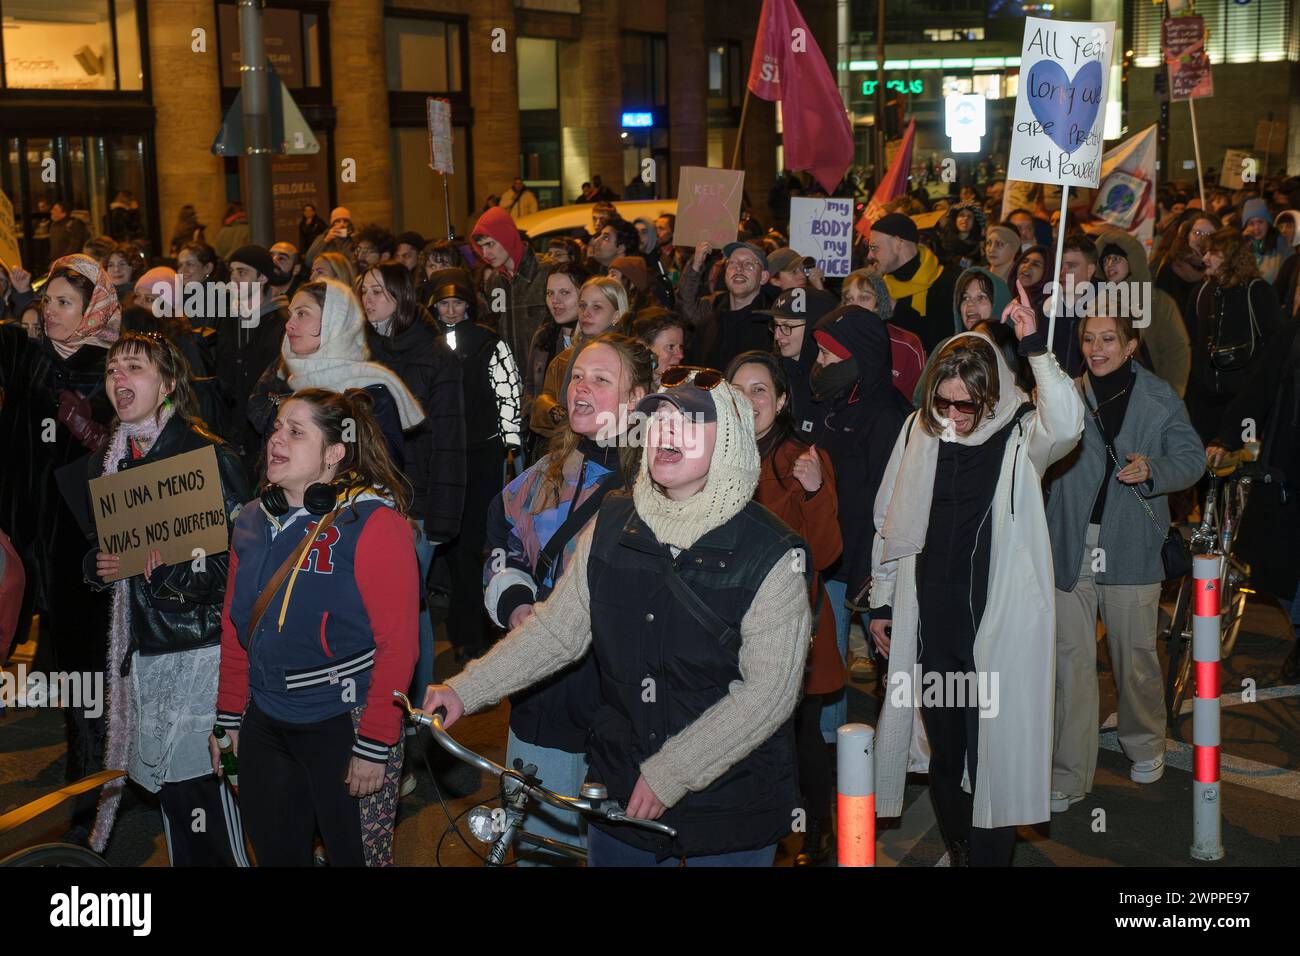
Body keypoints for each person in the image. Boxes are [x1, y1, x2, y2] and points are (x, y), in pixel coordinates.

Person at [426, 373, 814, 867]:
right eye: (659, 419)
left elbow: (769, 693)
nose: (666, 431)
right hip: (622, 792)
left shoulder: (772, 552)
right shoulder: (613, 522)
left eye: (690, 419)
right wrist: (466, 688)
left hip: (730, 808)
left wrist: (672, 771)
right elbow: (556, 630)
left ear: (732, 439)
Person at [867, 300, 1085, 867]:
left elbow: (1068, 422)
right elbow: (888, 518)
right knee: (946, 752)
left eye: (966, 404)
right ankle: (961, 847)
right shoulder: (920, 430)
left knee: (993, 756)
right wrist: (883, 602)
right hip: (933, 628)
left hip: (996, 631)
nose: (954, 415)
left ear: (991, 395)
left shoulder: (1021, 435)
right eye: (942, 401)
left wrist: (1035, 346)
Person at [214, 388, 419, 866]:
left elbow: (399, 645)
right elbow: (235, 630)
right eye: (277, 428)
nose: (276, 439)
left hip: (344, 725)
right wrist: (228, 720)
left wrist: (375, 744)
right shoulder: (250, 519)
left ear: (333, 454)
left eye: (295, 431)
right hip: (265, 723)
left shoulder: (372, 523)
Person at [481, 333, 653, 863]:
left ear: (637, 400)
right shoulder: (545, 473)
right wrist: (517, 605)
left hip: (620, 702)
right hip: (544, 696)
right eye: (578, 375)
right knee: (541, 845)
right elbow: (501, 542)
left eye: (602, 380)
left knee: (612, 847)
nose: (581, 387)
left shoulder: (660, 480)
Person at [84, 332, 251, 864]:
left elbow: (242, 564)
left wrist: (171, 576)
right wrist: (99, 566)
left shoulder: (205, 454)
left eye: (134, 368)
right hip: (146, 651)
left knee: (205, 788)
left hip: (198, 652)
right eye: (112, 370)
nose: (119, 380)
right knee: (176, 799)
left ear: (169, 384)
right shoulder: (112, 460)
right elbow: (101, 549)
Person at [1046, 312, 1204, 812]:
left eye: (1109, 339)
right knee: (1069, 665)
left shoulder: (1158, 398)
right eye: (1089, 339)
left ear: (1132, 345)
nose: (1097, 348)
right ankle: (1068, 772)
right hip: (1069, 543)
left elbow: (1192, 458)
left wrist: (1154, 468)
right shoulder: (1064, 395)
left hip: (1131, 544)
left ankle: (1145, 742)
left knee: (1132, 656)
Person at [0, 254, 120, 845]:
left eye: (64, 303)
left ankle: (89, 802)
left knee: (87, 669)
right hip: (25, 532)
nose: (50, 312)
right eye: (46, 300)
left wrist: (91, 427)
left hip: (85, 543)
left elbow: (139, 446)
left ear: (92, 309)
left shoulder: (112, 366)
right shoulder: (28, 356)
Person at [726, 351, 842, 866]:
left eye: (760, 390)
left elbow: (827, 553)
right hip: (724, 629)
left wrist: (815, 493)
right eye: (739, 389)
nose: (749, 400)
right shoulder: (711, 456)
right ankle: (753, 833)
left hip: (792, 628)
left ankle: (818, 831)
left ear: (781, 399)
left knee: (798, 738)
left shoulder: (802, 459)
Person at [810, 305, 913, 738]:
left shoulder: (889, 415)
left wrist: (876, 574)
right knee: (830, 662)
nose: (819, 364)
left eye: (828, 356)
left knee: (888, 663)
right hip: (833, 556)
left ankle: (898, 746)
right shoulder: (835, 400)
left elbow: (890, 503)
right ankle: (834, 747)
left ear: (857, 357)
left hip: (872, 563)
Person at [426, 267, 522, 661]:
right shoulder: (427, 344)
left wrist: (511, 443)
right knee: (447, 542)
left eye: (457, 302)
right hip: (441, 455)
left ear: (469, 304)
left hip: (483, 452)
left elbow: (508, 392)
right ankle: (459, 626)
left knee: (477, 541)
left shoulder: (489, 342)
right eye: (443, 303)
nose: (450, 310)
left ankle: (477, 630)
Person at [246, 278, 424, 465]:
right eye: (291, 315)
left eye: (302, 314)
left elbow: (383, 465)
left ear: (335, 322)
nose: (289, 324)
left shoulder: (368, 392)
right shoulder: (284, 377)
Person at [359, 263, 467, 548]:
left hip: (414, 500)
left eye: (377, 292)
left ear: (400, 296)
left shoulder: (436, 354)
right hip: (364, 494)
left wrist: (441, 521)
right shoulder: (359, 350)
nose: (367, 299)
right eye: (364, 291)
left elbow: (449, 440)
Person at [1185, 228, 1285, 443]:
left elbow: (1275, 348)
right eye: (1205, 252)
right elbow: (1194, 345)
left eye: (1213, 253)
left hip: (1245, 401)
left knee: (1240, 464)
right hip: (1206, 401)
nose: (1205, 258)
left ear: (1231, 257)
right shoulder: (1201, 292)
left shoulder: (1258, 292)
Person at [215, 245, 289, 465]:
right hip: (231, 432)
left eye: (242, 272)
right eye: (232, 272)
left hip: (263, 433)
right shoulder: (228, 318)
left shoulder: (282, 323)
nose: (234, 278)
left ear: (263, 278)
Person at [530, 276, 630, 440]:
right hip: (564, 448)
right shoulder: (562, 360)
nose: (586, 313)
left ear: (616, 316)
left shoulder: (627, 360)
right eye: (582, 305)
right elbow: (542, 417)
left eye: (597, 307)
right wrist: (551, 409)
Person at [473, 206, 554, 407]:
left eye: (490, 244)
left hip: (546, 382)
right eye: (482, 247)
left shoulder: (547, 272)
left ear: (507, 237)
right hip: (509, 383)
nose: (486, 253)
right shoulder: (493, 282)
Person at [1096, 228, 1191, 397]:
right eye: (1105, 260)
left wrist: (1169, 396)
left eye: (1117, 258)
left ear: (1133, 262)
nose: (1109, 264)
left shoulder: (1159, 302)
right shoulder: (1098, 304)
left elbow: (1176, 353)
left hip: (1152, 394)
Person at [869, 213, 958, 355]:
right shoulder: (880, 284)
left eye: (874, 248)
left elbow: (939, 344)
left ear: (898, 244)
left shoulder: (948, 283)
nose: (870, 256)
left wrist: (894, 306)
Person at [756, 288, 837, 442]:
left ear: (813, 327)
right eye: (776, 325)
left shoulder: (833, 380)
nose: (777, 335)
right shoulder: (769, 371)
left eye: (787, 326)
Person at [681, 241, 775, 369]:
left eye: (748, 264)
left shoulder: (773, 325)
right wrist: (696, 264)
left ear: (763, 277)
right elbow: (687, 306)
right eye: (733, 263)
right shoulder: (711, 314)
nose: (739, 268)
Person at [842, 269, 927, 402]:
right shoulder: (835, 342)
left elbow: (918, 402)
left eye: (864, 298)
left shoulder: (908, 345)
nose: (855, 306)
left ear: (879, 304)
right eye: (849, 299)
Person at [528, 262, 587, 410]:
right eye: (550, 293)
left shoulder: (595, 342)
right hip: (544, 430)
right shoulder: (543, 336)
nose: (555, 300)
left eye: (565, 293)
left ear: (585, 295)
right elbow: (530, 387)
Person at [176, 241, 224, 334]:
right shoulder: (181, 294)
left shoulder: (218, 297)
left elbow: (205, 338)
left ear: (208, 268)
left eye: (189, 264)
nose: (182, 270)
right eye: (180, 265)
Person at [631, 308, 688, 387]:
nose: (681, 355)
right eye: (670, 347)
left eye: (681, 347)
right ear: (644, 348)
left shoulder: (682, 385)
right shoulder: (629, 389)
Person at [1241, 197, 1291, 285]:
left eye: (1260, 222)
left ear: (1268, 223)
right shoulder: (1243, 246)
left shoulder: (1281, 244)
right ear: (1246, 227)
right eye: (1251, 223)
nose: (1256, 227)